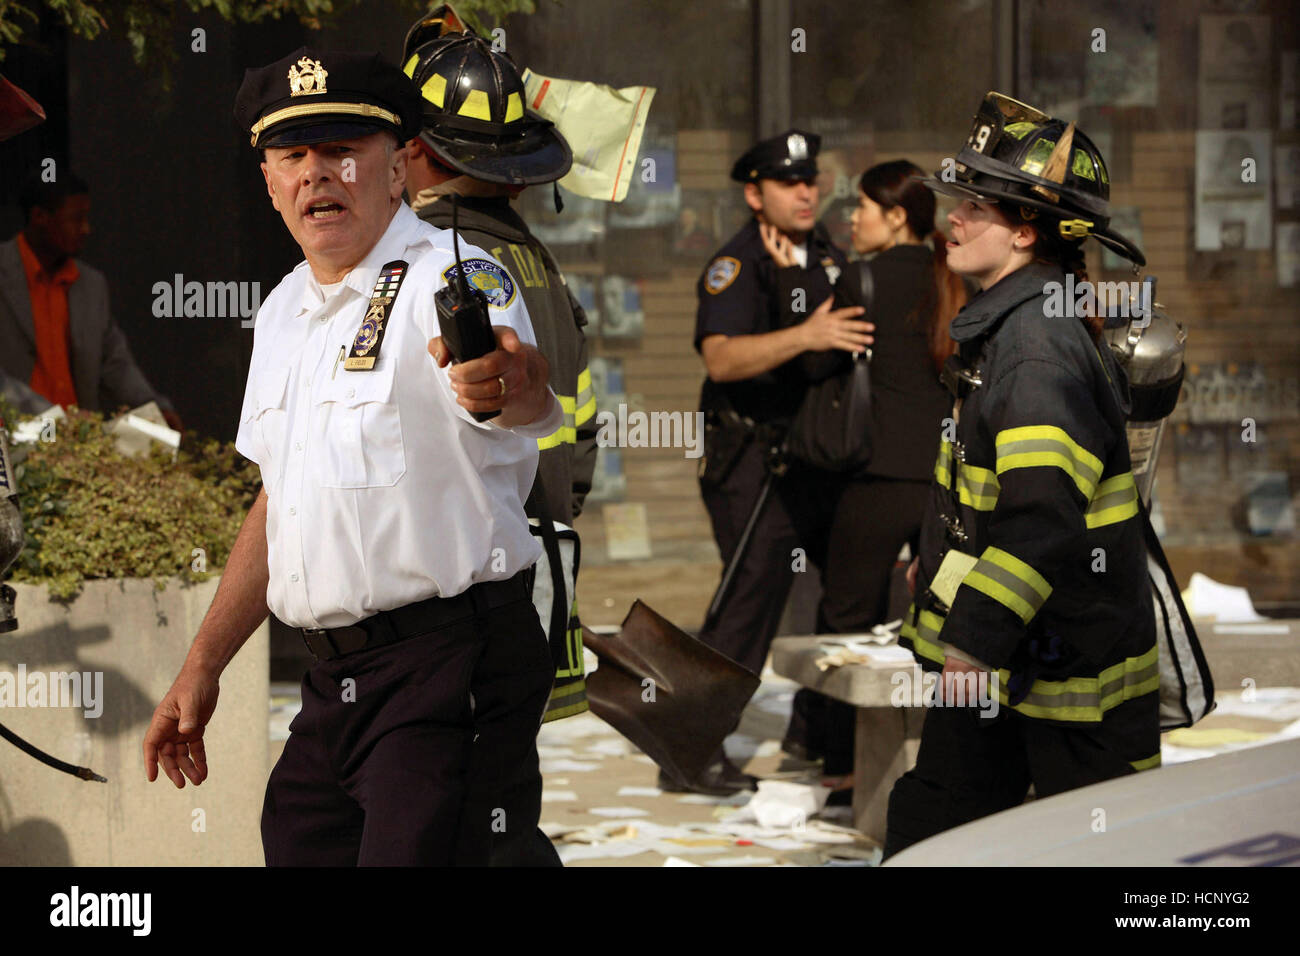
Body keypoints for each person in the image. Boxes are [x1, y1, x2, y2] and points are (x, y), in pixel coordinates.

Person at [142, 47, 564, 867]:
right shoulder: (282, 312)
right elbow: (280, 500)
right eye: (293, 156)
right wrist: (202, 667)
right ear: (267, 179)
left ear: (400, 165)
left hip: (449, 668)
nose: (317, 175)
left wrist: (506, 379)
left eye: (343, 150)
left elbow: (515, 389)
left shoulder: (457, 274)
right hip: (330, 689)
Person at [884, 92, 1157, 858]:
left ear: (1026, 231)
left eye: (976, 205)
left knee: (1085, 857)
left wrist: (969, 645)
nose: (955, 219)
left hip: (1058, 678)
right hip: (1019, 666)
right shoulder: (1012, 325)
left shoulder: (1034, 348)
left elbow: (1040, 523)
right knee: (940, 827)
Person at [399, 26, 596, 866]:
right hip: (534, 560)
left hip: (465, 587)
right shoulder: (528, 255)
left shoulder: (435, 258)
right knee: (498, 796)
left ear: (416, 152)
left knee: (463, 814)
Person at [761, 160, 966, 786]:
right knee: (944, 613)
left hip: (875, 477)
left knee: (845, 615)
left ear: (897, 216)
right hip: (939, 478)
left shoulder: (862, 277)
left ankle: (843, 759)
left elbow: (819, 361)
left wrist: (794, 278)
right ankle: (945, 751)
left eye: (863, 209)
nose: (850, 219)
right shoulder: (955, 278)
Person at [685, 129, 872, 796]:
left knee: (847, 593)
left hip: (817, 459)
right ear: (753, 193)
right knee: (748, 608)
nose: (806, 191)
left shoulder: (824, 250)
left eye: (811, 180)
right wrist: (806, 335)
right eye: (789, 182)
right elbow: (721, 357)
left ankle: (814, 731)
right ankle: (692, 751)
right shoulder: (738, 262)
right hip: (752, 464)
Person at [0, 173, 181, 429]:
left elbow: (114, 362)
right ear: (40, 217)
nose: (86, 229)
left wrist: (154, 408)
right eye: (75, 219)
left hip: (77, 448)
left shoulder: (91, 285)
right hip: (11, 441)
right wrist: (52, 419)